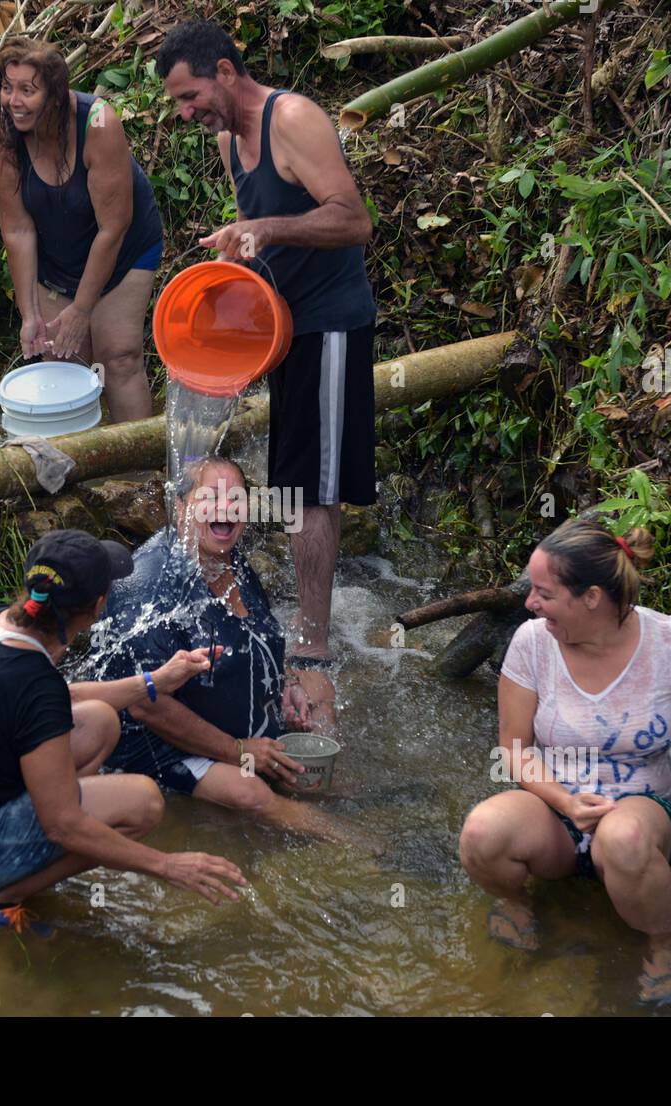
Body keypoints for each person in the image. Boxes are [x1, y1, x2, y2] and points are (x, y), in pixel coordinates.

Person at [0, 529, 246, 932]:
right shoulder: (32, 684)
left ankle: (17, 855)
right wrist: (167, 865)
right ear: (97, 606)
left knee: (100, 722)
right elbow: (62, 823)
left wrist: (155, 681)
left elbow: (63, 698)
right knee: (142, 802)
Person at [157, 22, 377, 667]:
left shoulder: (294, 118)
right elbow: (261, 243)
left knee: (315, 485)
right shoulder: (230, 142)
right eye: (177, 102)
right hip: (280, 326)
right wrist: (230, 311)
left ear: (225, 71)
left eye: (190, 95)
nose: (185, 111)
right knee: (292, 475)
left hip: (331, 324)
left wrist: (262, 226)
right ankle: (296, 615)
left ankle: (312, 641)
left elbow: (352, 218)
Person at [457, 519, 671, 1004]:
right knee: (482, 832)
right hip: (556, 812)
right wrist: (566, 802)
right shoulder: (531, 644)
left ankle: (661, 939)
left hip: (644, 809)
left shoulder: (670, 640)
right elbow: (515, 750)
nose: (529, 602)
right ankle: (516, 902)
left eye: (543, 593)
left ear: (591, 597)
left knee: (623, 838)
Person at [89, 457, 348, 839]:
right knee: (250, 792)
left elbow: (259, 636)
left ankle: (319, 791)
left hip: (235, 725)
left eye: (236, 499)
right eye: (210, 497)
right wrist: (238, 750)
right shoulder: (151, 584)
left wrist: (286, 682)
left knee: (319, 686)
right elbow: (146, 704)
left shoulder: (231, 561)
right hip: (160, 744)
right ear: (180, 507)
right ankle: (356, 843)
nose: (224, 509)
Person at [0, 39, 163, 423]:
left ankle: (138, 476)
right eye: (7, 87)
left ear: (56, 95)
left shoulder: (98, 122)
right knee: (64, 361)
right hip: (55, 256)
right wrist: (28, 311)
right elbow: (17, 230)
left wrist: (83, 307)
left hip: (123, 247)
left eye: (28, 91)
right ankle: (79, 475)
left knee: (118, 355)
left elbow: (113, 227)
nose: (14, 100)